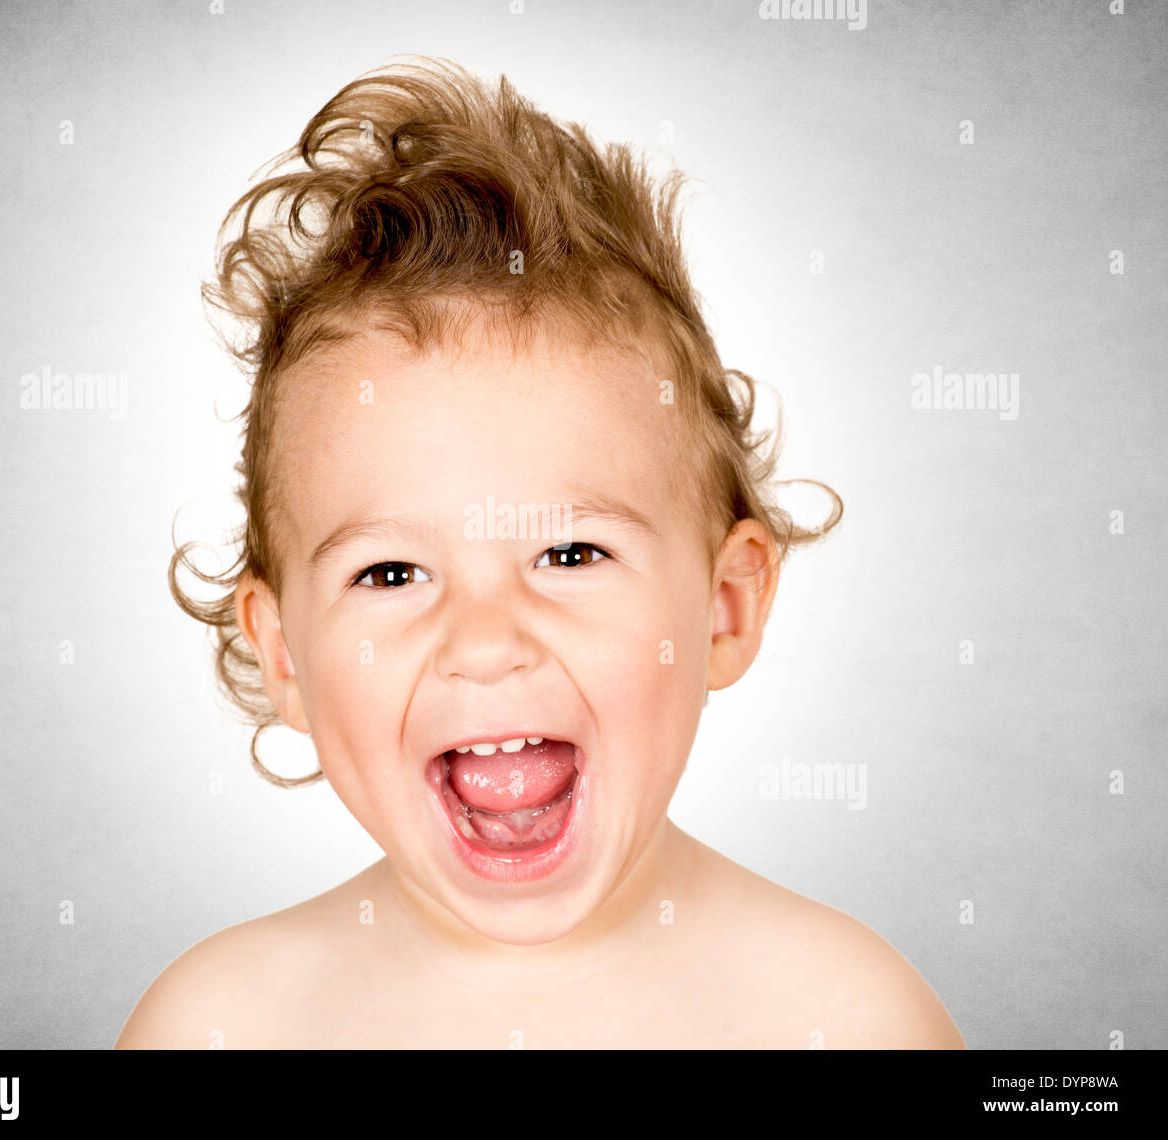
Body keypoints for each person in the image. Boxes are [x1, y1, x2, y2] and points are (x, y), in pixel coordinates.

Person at [116, 56, 964, 1048]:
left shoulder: (846, 1018)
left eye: (568, 554)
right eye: (390, 574)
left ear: (725, 604)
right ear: (285, 656)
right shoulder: (222, 1026)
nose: (485, 641)